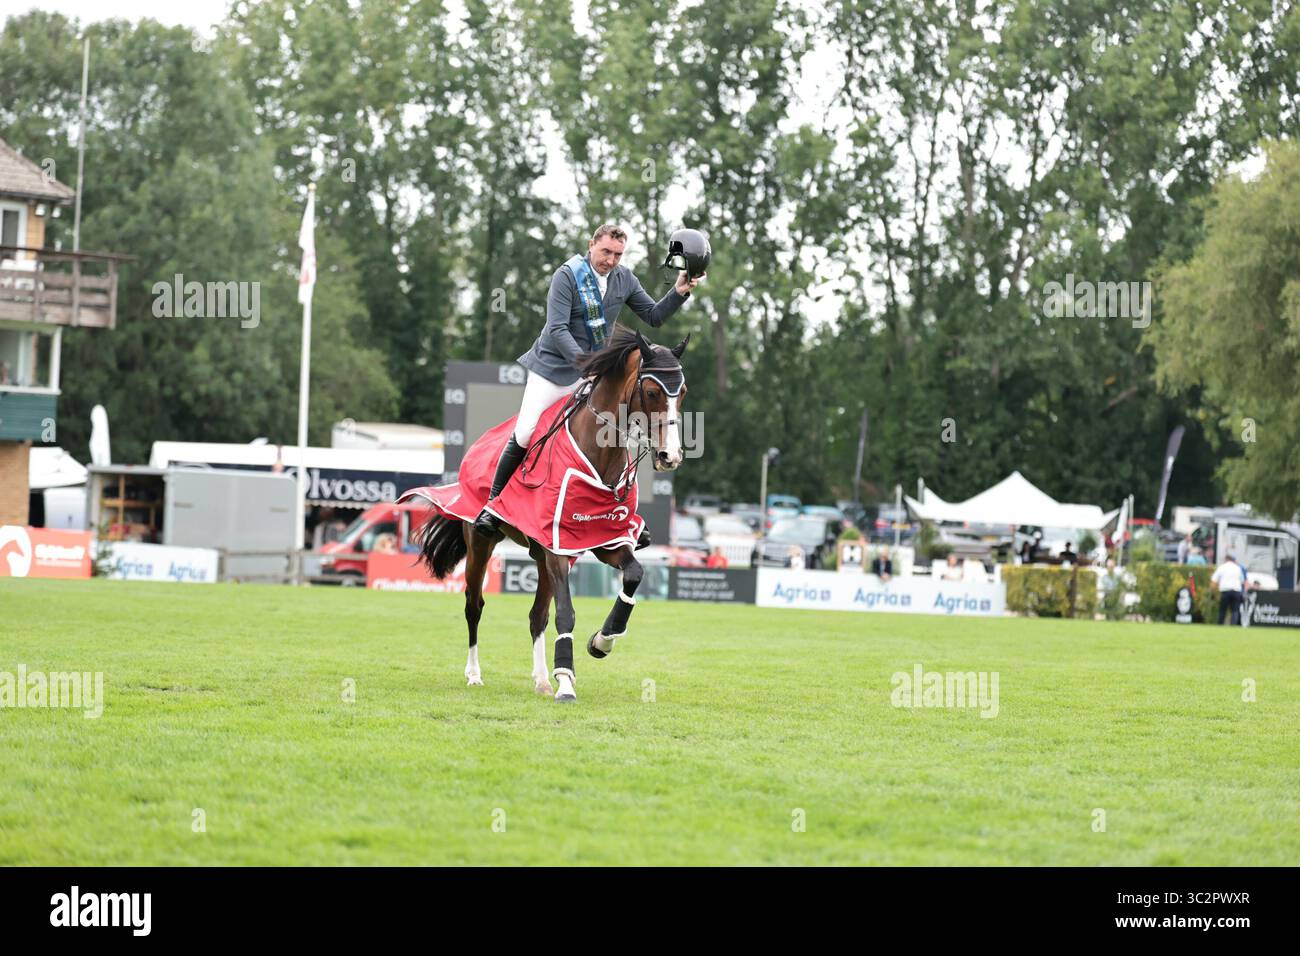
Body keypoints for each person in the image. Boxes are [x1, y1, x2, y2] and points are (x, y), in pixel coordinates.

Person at [472, 224, 709, 538]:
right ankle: (494, 504)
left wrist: (679, 291)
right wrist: (587, 366)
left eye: (618, 255)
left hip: (594, 371)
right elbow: (557, 330)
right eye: (606, 252)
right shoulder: (567, 276)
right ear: (591, 245)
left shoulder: (624, 279)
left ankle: (621, 517)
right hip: (553, 370)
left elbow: (653, 315)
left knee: (616, 433)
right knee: (527, 431)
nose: (610, 260)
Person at [1211, 554, 1246, 625]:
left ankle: (1220, 625)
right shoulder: (1238, 568)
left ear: (1226, 559)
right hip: (1236, 591)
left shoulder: (1222, 567)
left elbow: (1214, 581)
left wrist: (1213, 593)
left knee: (1223, 610)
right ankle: (1233, 626)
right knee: (1235, 610)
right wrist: (1243, 592)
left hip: (1225, 591)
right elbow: (1243, 581)